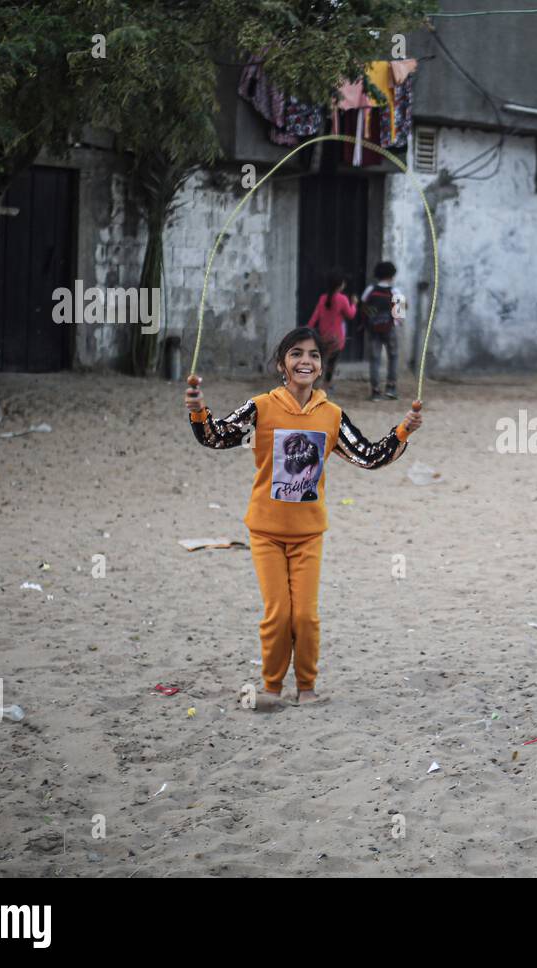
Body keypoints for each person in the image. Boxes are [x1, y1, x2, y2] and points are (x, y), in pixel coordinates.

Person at [184, 327, 422, 708]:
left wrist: (402, 431)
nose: (305, 361)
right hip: (265, 533)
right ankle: (272, 689)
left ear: (321, 366)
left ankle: (307, 689)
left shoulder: (332, 416)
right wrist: (198, 407)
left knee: (306, 619)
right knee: (278, 616)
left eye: (313, 355)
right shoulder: (261, 407)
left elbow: (369, 455)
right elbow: (216, 435)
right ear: (282, 364)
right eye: (296, 354)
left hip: (309, 535)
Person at [360, 260, 405, 401]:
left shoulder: (370, 290)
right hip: (389, 329)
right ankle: (391, 387)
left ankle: (375, 391)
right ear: (392, 275)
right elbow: (400, 315)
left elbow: (363, 305)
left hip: (373, 329)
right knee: (393, 356)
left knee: (375, 359)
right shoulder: (395, 291)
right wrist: (394, 324)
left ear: (377, 275)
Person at [305, 270, 357, 390]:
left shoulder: (323, 298)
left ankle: (313, 382)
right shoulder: (342, 299)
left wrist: (308, 329)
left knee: (321, 360)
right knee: (332, 363)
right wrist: (353, 304)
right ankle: (326, 384)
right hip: (337, 338)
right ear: (341, 284)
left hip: (323, 336)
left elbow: (315, 316)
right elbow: (351, 314)